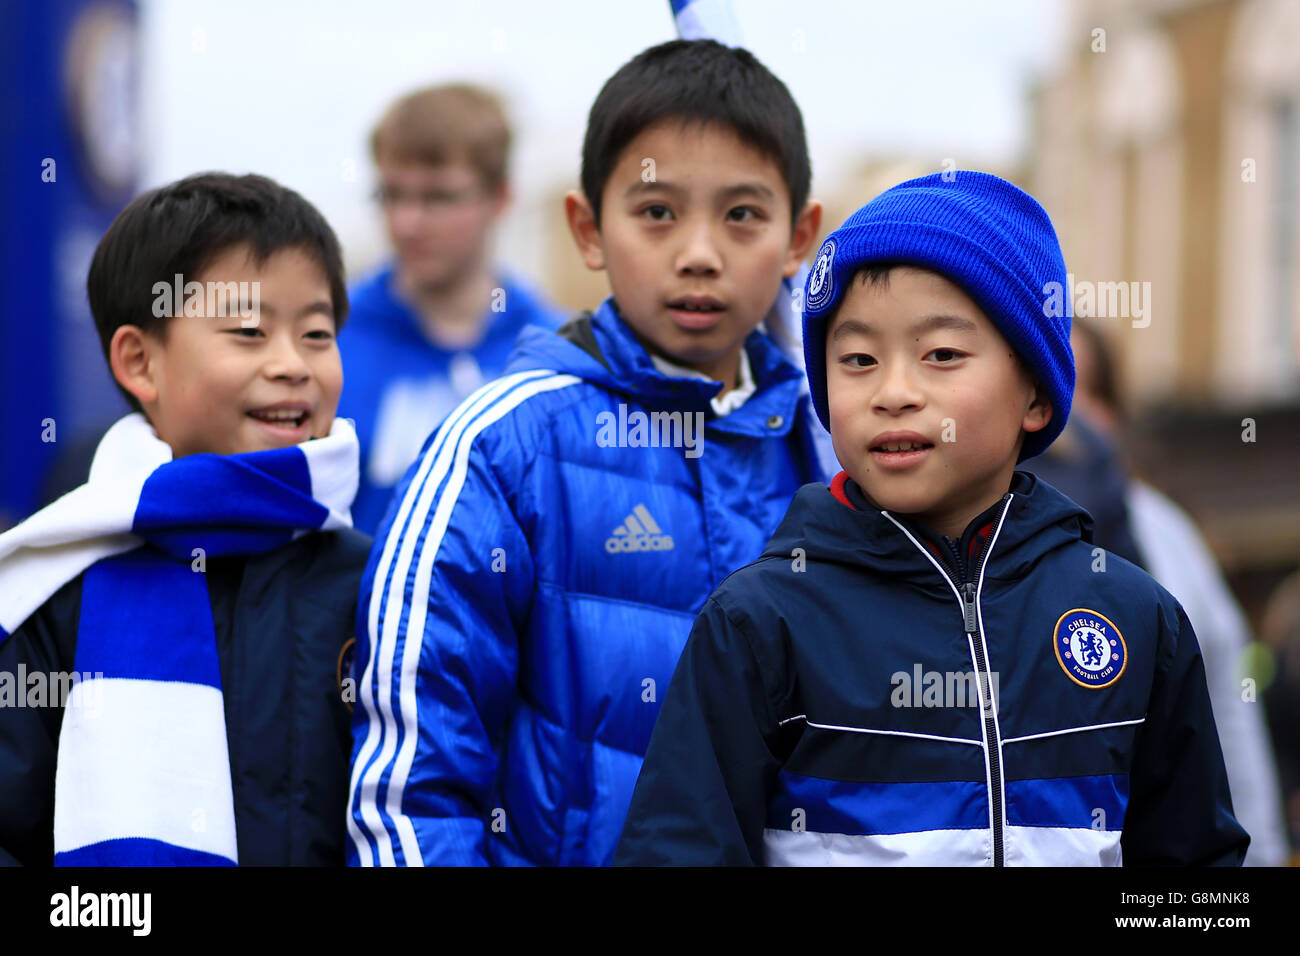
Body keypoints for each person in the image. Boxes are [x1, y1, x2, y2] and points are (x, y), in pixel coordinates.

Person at [615, 171, 1250, 866]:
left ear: (1036, 395)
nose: (893, 392)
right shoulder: (760, 622)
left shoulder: (1136, 616)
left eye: (941, 354)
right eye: (857, 359)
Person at [347, 39, 830, 866]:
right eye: (656, 212)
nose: (700, 252)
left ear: (799, 238)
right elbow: (412, 781)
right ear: (587, 228)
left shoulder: (832, 457)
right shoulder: (503, 445)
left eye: (743, 213)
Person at [0, 173, 369, 865]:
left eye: (317, 333)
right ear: (141, 361)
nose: (293, 364)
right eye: (249, 331)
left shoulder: (377, 582)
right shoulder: (47, 583)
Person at [340, 83, 565, 533]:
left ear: (499, 197)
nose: (407, 223)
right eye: (392, 195)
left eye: (438, 197)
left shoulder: (554, 353)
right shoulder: (328, 341)